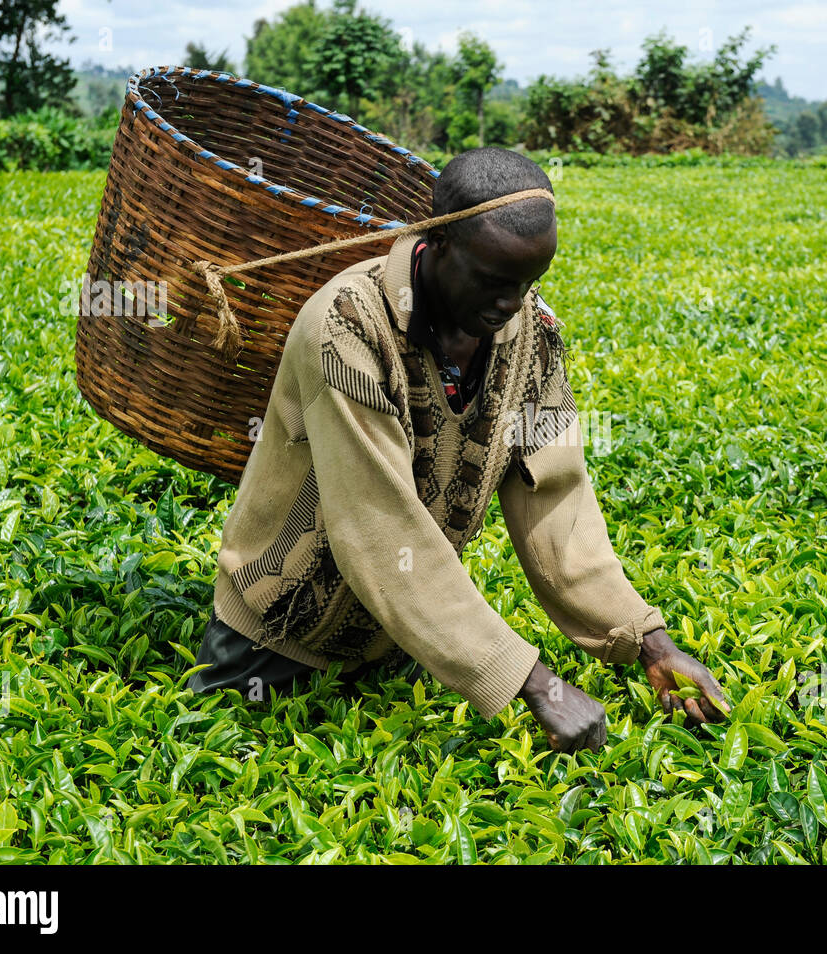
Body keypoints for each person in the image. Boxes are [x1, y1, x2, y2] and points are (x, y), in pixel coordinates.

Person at [189, 146, 730, 752]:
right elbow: (379, 529)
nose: (513, 303)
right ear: (436, 244)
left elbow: (556, 500)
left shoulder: (533, 333)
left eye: (530, 282)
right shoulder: (345, 327)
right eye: (494, 281)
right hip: (279, 639)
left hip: (407, 640)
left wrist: (648, 642)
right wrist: (535, 684)